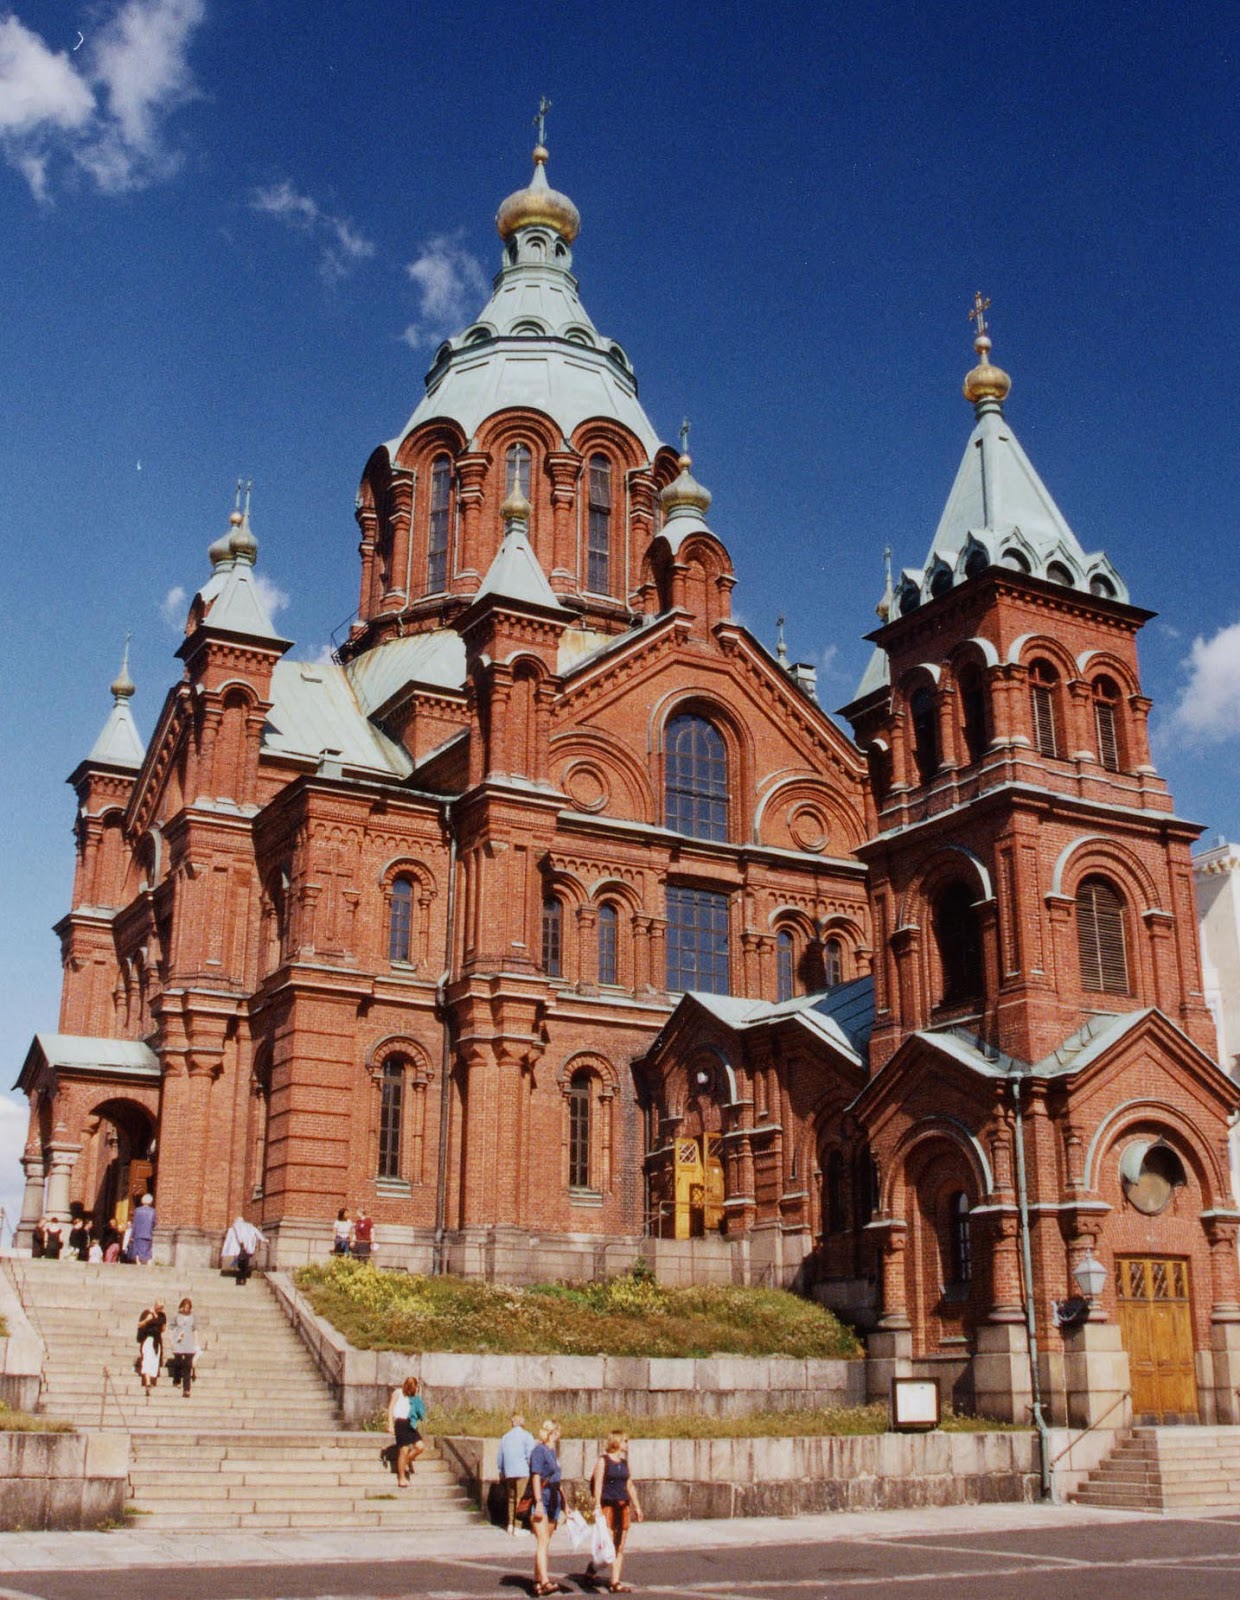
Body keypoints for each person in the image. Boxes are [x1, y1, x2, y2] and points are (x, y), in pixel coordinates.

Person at [589, 1430, 644, 1593]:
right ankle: (593, 1567)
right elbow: (598, 1484)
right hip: (608, 1505)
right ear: (617, 1442)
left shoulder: (624, 1463)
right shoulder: (603, 1461)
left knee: (620, 1546)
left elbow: (629, 1485)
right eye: (625, 1441)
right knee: (608, 1545)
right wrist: (597, 1505)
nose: (627, 1444)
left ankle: (615, 1582)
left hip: (622, 1506)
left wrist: (637, 1506)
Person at [528, 1418, 563, 1597]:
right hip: (543, 1498)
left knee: (546, 1542)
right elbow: (536, 1476)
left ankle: (537, 1581)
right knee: (543, 1540)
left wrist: (567, 1505)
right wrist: (538, 1501)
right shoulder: (539, 1451)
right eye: (558, 1431)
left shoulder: (553, 1451)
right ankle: (545, 1581)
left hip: (555, 1499)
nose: (560, 1434)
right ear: (553, 1432)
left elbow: (557, 1480)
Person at [497, 1411, 536, 1536]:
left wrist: (501, 1471)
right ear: (522, 1422)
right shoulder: (527, 1436)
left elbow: (500, 1457)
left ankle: (510, 1524)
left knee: (511, 1498)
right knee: (521, 1499)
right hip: (522, 1471)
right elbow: (530, 1455)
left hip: (509, 1471)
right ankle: (518, 1526)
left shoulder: (505, 1437)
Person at [386, 1375, 426, 1487]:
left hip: (411, 1423)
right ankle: (401, 1477)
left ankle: (406, 1461)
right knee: (403, 1450)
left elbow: (419, 1411)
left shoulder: (414, 1396)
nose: (412, 1390)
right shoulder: (398, 1393)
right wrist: (390, 1424)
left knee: (420, 1447)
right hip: (400, 1423)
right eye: (411, 1388)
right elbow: (391, 1408)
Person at [221, 1215, 266, 1284]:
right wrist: (264, 1240)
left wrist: (225, 1251)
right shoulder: (250, 1227)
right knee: (245, 1264)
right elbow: (258, 1234)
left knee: (238, 1264)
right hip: (247, 1249)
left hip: (237, 1250)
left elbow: (228, 1241)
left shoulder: (232, 1228)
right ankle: (243, 1279)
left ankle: (239, 1278)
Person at [168, 1296, 198, 1397]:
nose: (186, 1308)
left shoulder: (192, 1317)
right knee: (178, 1362)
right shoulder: (177, 1316)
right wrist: (171, 1340)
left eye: (188, 1307)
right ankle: (176, 1379)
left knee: (188, 1366)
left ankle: (187, 1389)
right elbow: (171, 1328)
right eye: (185, 1306)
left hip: (189, 1343)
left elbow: (195, 1329)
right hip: (179, 1342)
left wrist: (196, 1342)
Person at [136, 1299, 166, 1392]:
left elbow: (163, 1328)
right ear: (155, 1305)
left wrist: (157, 1317)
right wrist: (147, 1320)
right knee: (147, 1359)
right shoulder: (147, 1313)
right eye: (159, 1306)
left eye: (162, 1307)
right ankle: (148, 1381)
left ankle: (151, 1381)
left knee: (154, 1361)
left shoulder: (162, 1316)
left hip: (157, 1341)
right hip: (148, 1339)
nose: (160, 1308)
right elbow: (139, 1325)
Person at [129, 1193, 157, 1264]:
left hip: (138, 1234)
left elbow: (134, 1223)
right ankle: (148, 1261)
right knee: (147, 1249)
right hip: (148, 1234)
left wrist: (132, 1235)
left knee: (137, 1249)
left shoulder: (137, 1210)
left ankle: (138, 1262)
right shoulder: (153, 1211)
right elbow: (154, 1223)